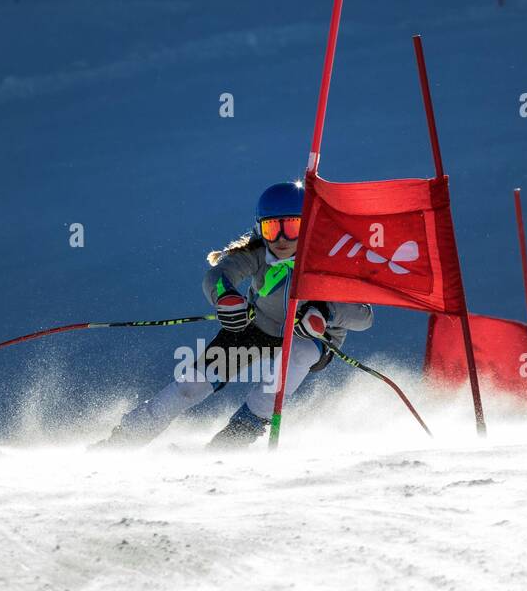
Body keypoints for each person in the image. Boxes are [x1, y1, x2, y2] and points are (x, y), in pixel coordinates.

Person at [98, 181, 373, 448]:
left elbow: (364, 315)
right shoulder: (257, 253)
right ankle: (123, 441)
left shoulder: (331, 259)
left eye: (291, 227)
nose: (280, 239)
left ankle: (231, 443)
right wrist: (226, 296)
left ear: (308, 225)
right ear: (259, 228)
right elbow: (218, 275)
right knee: (191, 386)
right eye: (271, 228)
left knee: (298, 355)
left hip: (313, 337)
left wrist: (326, 312)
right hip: (258, 328)